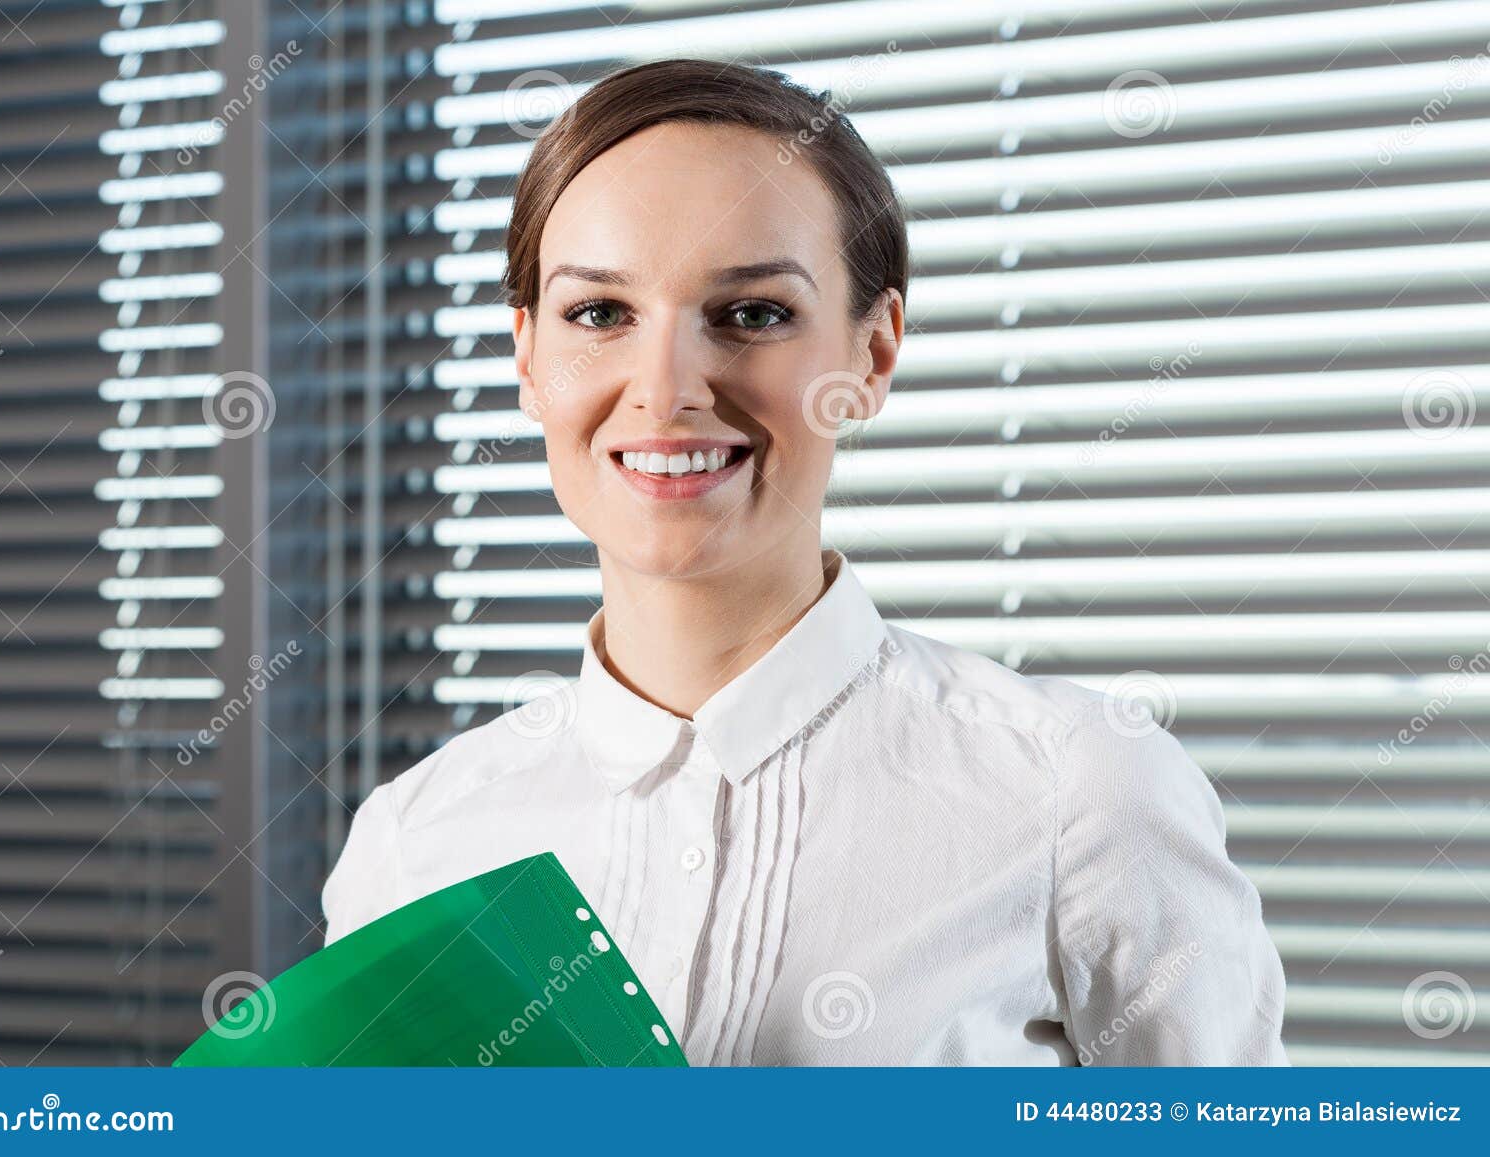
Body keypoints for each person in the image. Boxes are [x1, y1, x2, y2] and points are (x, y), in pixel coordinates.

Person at [322, 57, 1289, 1066]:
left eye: (752, 313)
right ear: (527, 358)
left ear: (870, 356)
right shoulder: (413, 842)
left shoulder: (1080, 792)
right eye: (599, 314)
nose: (665, 388)